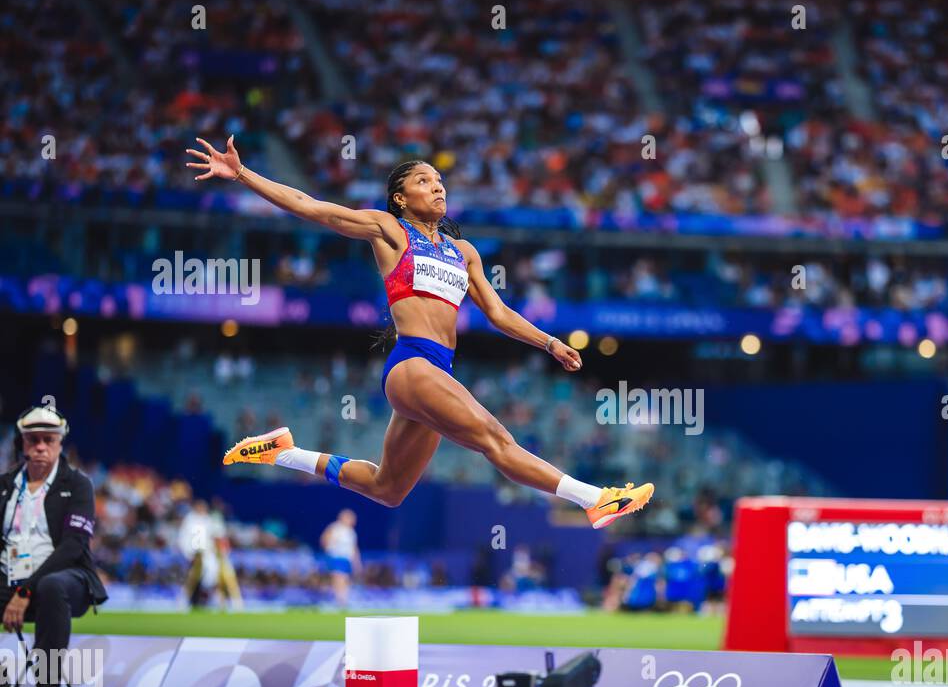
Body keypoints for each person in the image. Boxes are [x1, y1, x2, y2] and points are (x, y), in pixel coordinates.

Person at [190, 139, 653, 528]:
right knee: (496, 438)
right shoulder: (389, 230)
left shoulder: (463, 251)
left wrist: (549, 342)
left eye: (439, 180)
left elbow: (498, 312)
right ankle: (594, 499)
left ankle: (283, 453)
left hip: (436, 370)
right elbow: (313, 208)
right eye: (423, 181)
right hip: (411, 365)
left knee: (387, 488)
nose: (437, 186)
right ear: (400, 197)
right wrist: (243, 174)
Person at [0, 406, 107, 687]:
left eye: (48, 440)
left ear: (61, 443)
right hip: (11, 579)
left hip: (67, 580)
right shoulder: (5, 486)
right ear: (22, 444)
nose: (40, 447)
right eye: (33, 440)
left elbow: (73, 547)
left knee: (51, 585)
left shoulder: (77, 484)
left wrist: (25, 591)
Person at [320, 509, 361, 607]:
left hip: (346, 559)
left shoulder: (351, 532)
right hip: (336, 557)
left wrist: (357, 562)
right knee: (338, 578)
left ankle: (343, 599)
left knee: (345, 579)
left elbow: (354, 548)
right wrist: (329, 550)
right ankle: (340, 600)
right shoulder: (335, 527)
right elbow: (324, 539)